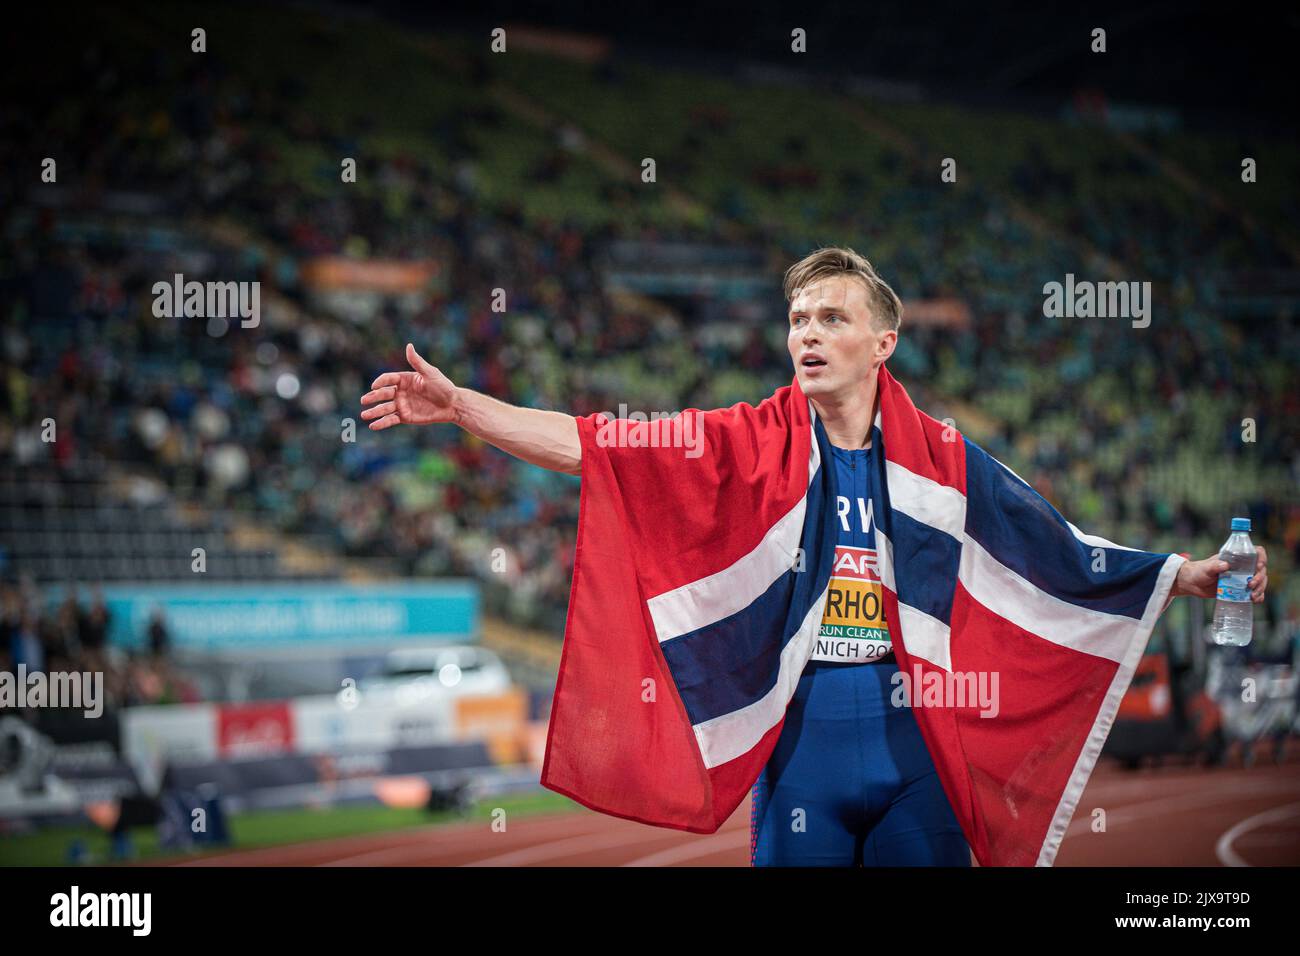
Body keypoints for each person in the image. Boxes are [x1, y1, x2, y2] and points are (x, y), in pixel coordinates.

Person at [360, 246, 1269, 866]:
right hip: (806, 748)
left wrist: (1182, 574)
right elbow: (597, 442)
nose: (806, 332)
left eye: (831, 318)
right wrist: (467, 408)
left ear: (883, 344)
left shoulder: (947, 462)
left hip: (918, 739)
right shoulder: (743, 442)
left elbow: (1053, 547)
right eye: (797, 317)